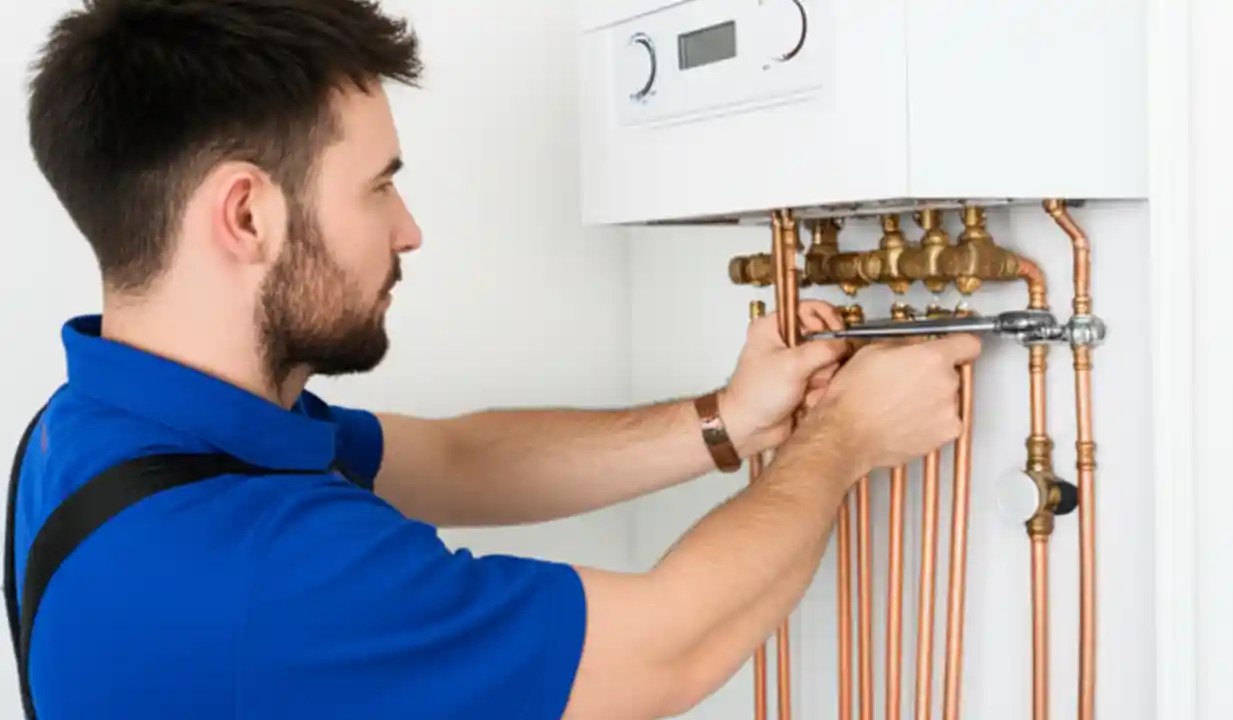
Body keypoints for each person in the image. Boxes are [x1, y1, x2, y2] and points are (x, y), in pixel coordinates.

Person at [6, 1, 981, 718]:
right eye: (377, 187)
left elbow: (458, 461)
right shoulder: (255, 567)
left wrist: (728, 417)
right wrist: (847, 439)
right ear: (249, 213)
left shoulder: (102, 433)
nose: (409, 228)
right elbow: (666, 649)